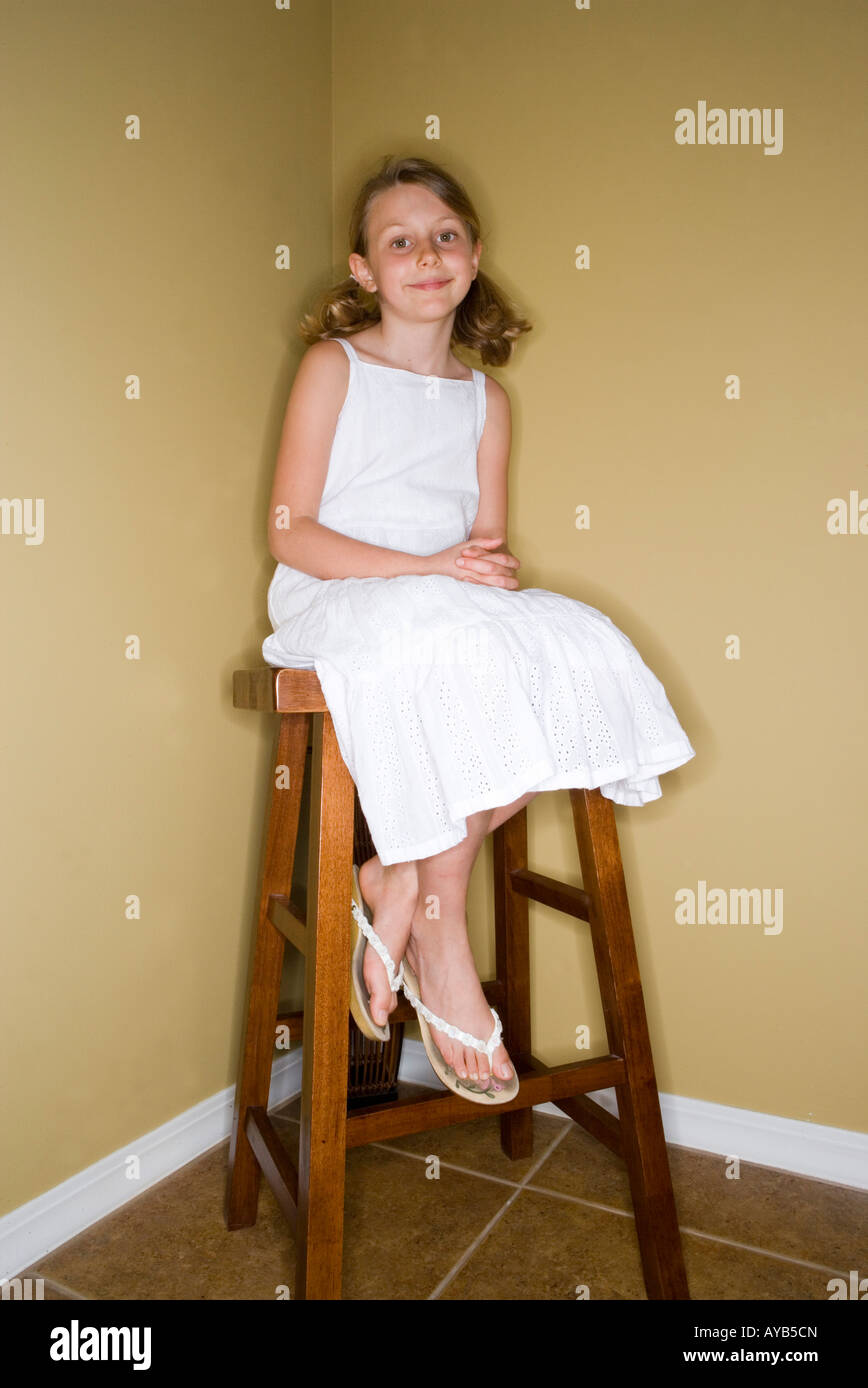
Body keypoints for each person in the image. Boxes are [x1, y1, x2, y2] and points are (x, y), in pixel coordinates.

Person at [261, 154, 695, 1104]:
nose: (426, 254)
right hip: (338, 599)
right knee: (455, 632)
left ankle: (402, 878)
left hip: (442, 608)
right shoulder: (334, 367)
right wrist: (434, 571)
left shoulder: (487, 400)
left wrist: (478, 575)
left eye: (444, 236)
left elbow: (483, 548)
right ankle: (439, 925)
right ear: (365, 271)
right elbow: (289, 532)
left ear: (474, 256)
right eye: (399, 241)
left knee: (582, 646)